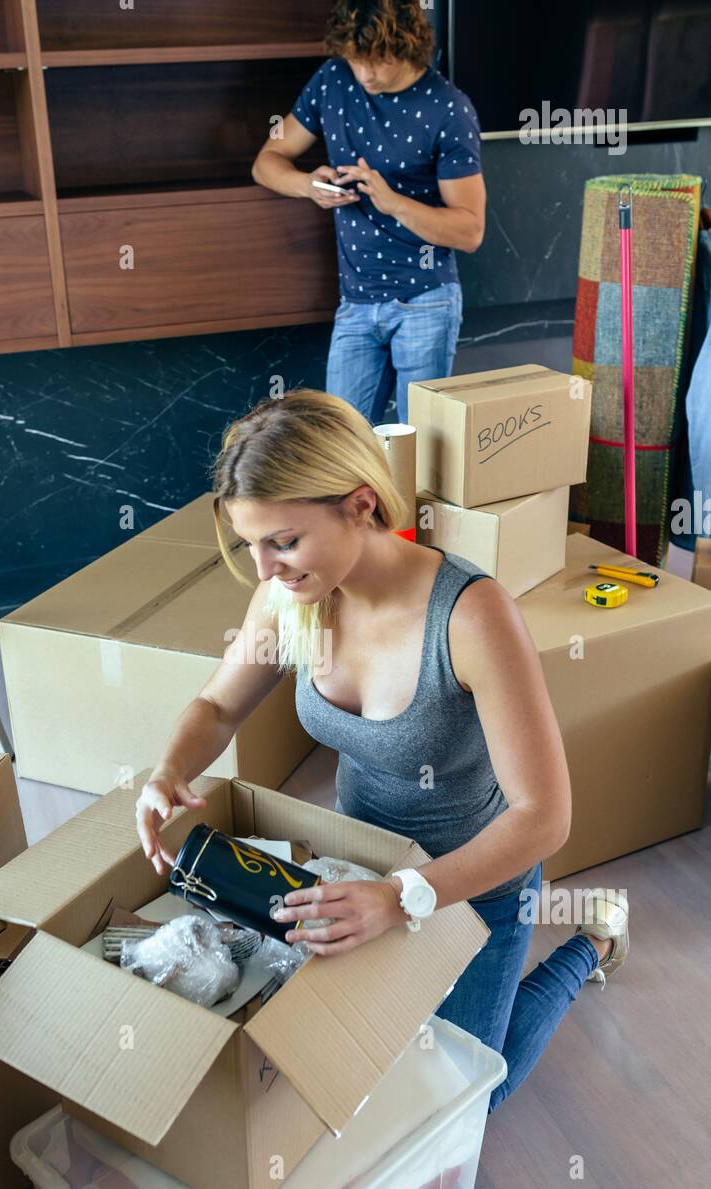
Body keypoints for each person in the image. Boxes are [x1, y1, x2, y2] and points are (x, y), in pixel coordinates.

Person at [135, 390, 629, 1115]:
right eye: (251, 546)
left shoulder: (471, 615)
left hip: (476, 885)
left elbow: (544, 817)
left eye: (284, 540)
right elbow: (215, 706)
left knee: (461, 1099)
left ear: (361, 505)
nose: (266, 569)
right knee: (365, 1065)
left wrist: (403, 901)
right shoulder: (292, 597)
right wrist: (169, 769)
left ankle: (593, 940)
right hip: (362, 865)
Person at [251, 0, 486, 425]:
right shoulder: (332, 81)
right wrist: (310, 186)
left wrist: (391, 200)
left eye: (378, 62)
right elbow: (267, 161)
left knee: (423, 451)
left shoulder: (448, 109)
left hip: (426, 301)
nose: (365, 75)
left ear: (409, 48)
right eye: (356, 61)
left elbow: (470, 230)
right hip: (356, 302)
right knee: (344, 444)